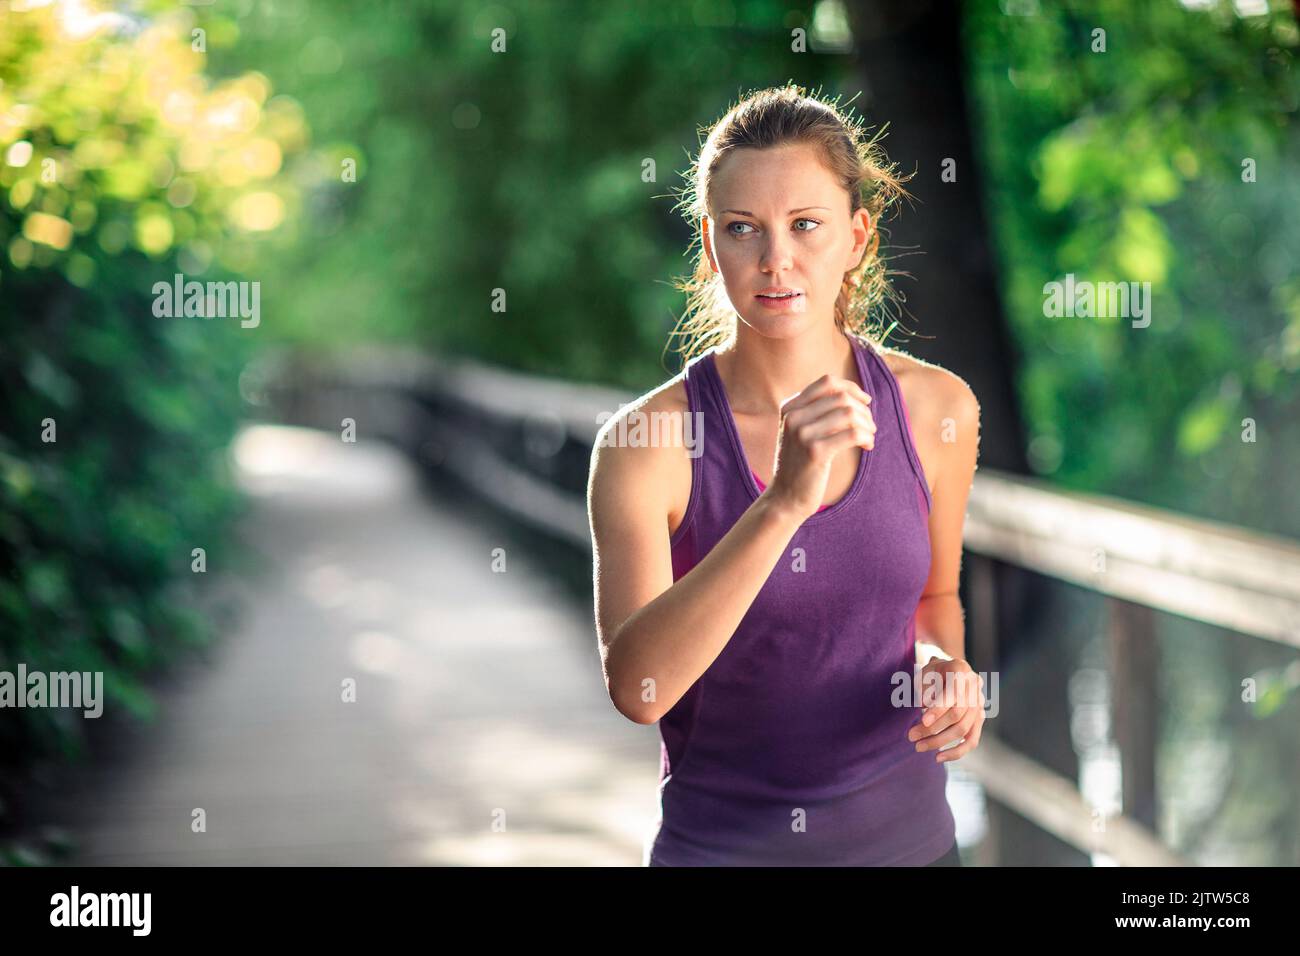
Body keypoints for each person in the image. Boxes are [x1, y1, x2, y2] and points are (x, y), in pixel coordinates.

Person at [586, 85, 984, 866]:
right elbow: (639, 692)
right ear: (709, 244)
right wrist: (782, 504)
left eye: (806, 224)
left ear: (858, 237)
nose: (777, 259)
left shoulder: (939, 408)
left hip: (917, 851)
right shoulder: (646, 443)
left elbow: (934, 600)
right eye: (744, 230)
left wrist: (945, 667)